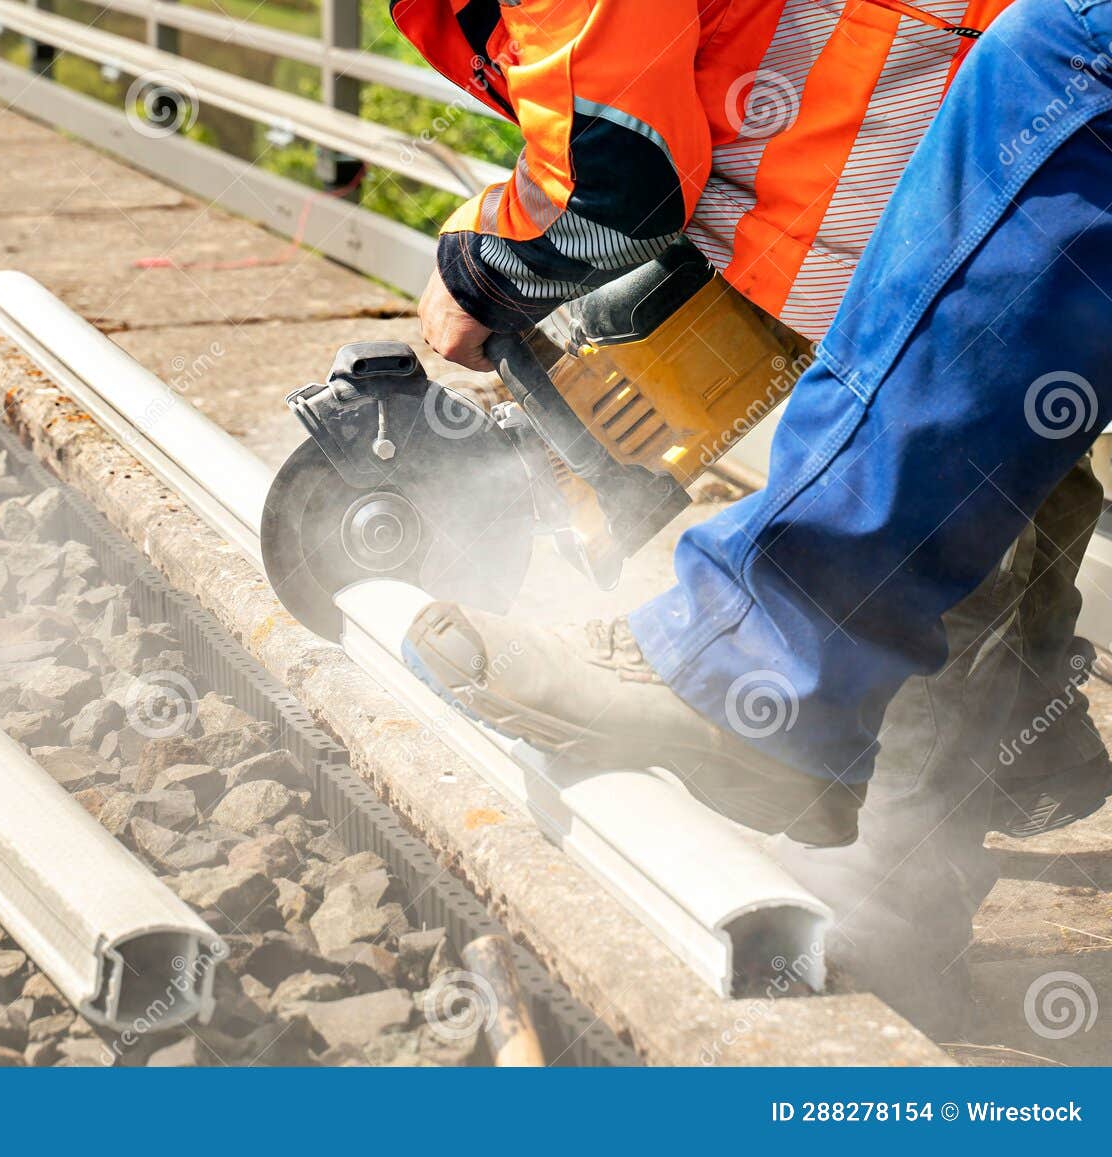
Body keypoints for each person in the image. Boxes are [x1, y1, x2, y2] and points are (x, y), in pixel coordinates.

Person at [391, 0, 1112, 1031]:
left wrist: (479, 270)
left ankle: (882, 941)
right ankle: (1018, 722)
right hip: (924, 183)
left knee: (953, 519)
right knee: (992, 467)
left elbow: (618, 177)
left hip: (922, 185)